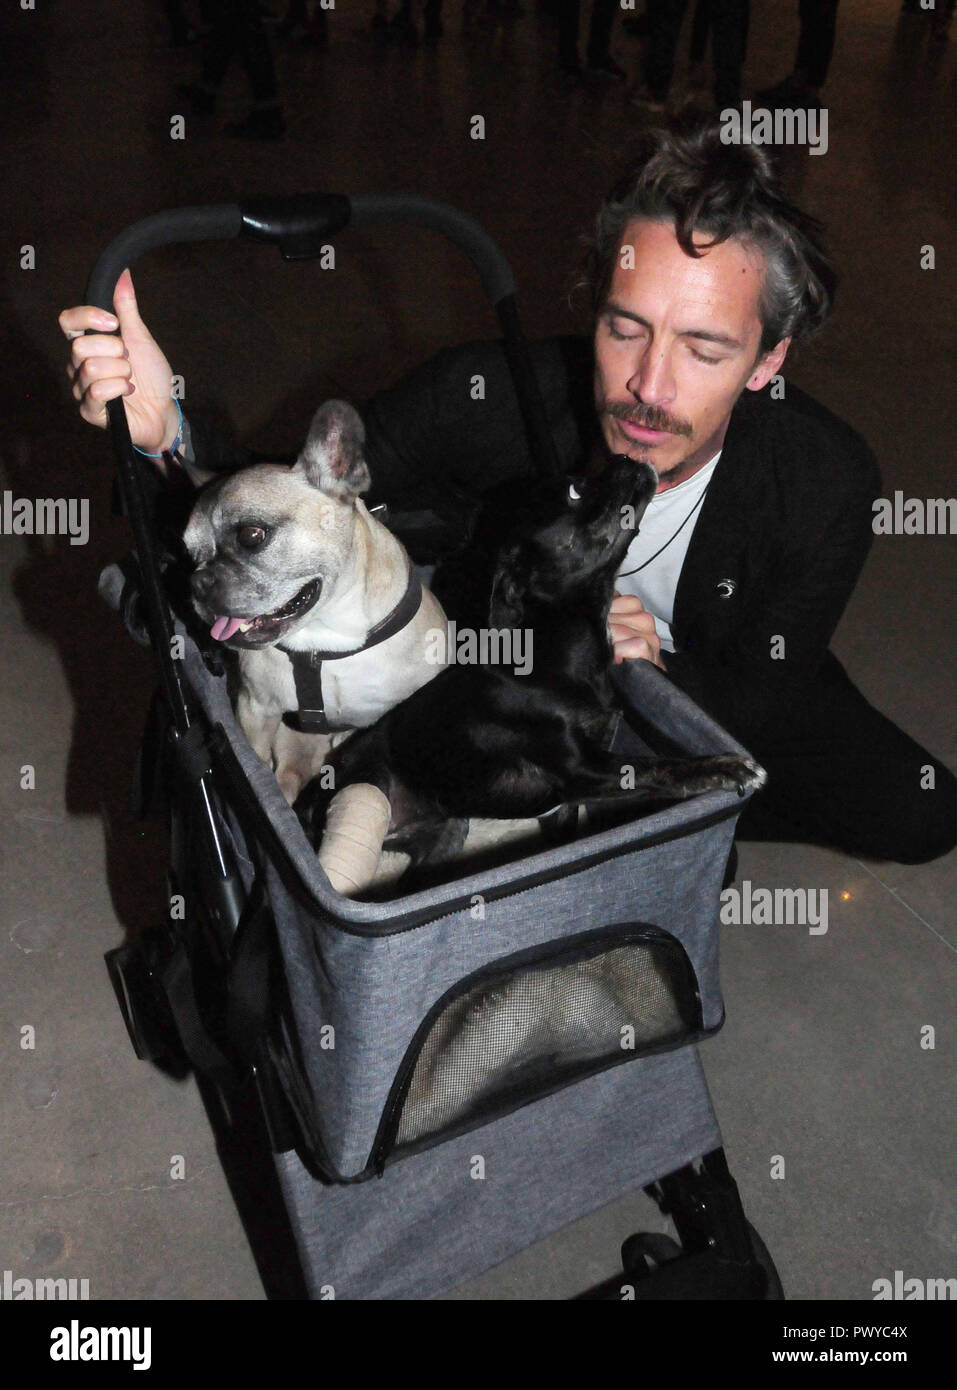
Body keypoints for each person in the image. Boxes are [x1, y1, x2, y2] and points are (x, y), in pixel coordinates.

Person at [60, 120, 957, 866]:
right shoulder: (483, 395)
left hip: (712, 671)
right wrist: (165, 424)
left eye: (703, 349)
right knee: (662, 865)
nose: (648, 385)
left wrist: (658, 680)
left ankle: (649, 799)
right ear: (593, 309)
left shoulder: (825, 478)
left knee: (921, 815)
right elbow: (294, 500)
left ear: (767, 361)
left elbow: (773, 676)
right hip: (512, 677)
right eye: (625, 329)